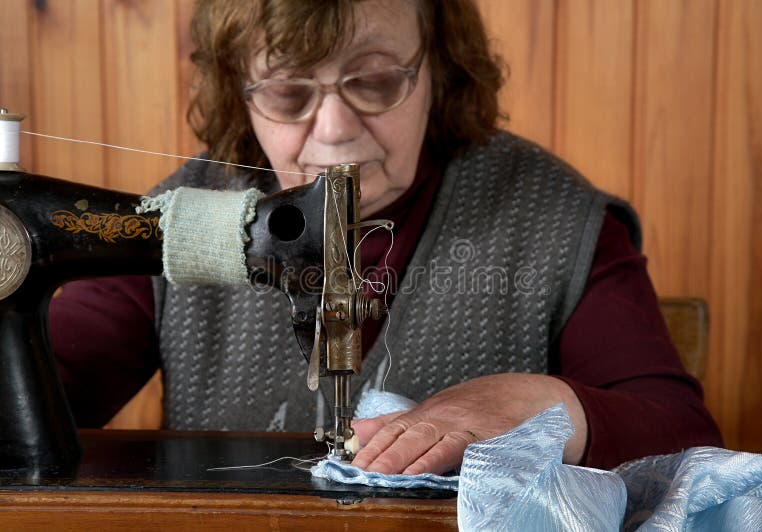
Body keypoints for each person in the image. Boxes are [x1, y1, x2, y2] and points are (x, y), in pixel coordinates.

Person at [50, 0, 722, 475]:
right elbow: (48, 392)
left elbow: (685, 440)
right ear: (241, 94)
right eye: (288, 94)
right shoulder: (185, 219)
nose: (336, 130)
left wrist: (554, 407)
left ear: (441, 68)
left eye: (374, 82)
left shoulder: (557, 219)